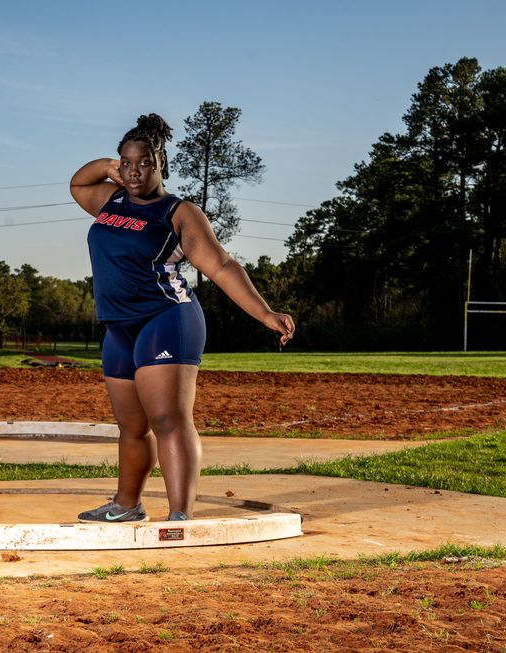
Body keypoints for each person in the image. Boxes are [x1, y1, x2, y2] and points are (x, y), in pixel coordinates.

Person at [69, 113, 295, 523]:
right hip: (119, 327)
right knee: (131, 426)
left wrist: (264, 312)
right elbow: (77, 184)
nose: (135, 172)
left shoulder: (179, 213)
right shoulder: (109, 200)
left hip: (166, 318)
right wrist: (108, 167)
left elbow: (222, 266)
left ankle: (179, 516)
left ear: (162, 164)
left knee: (168, 419)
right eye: (127, 163)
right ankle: (127, 505)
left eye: (145, 163)